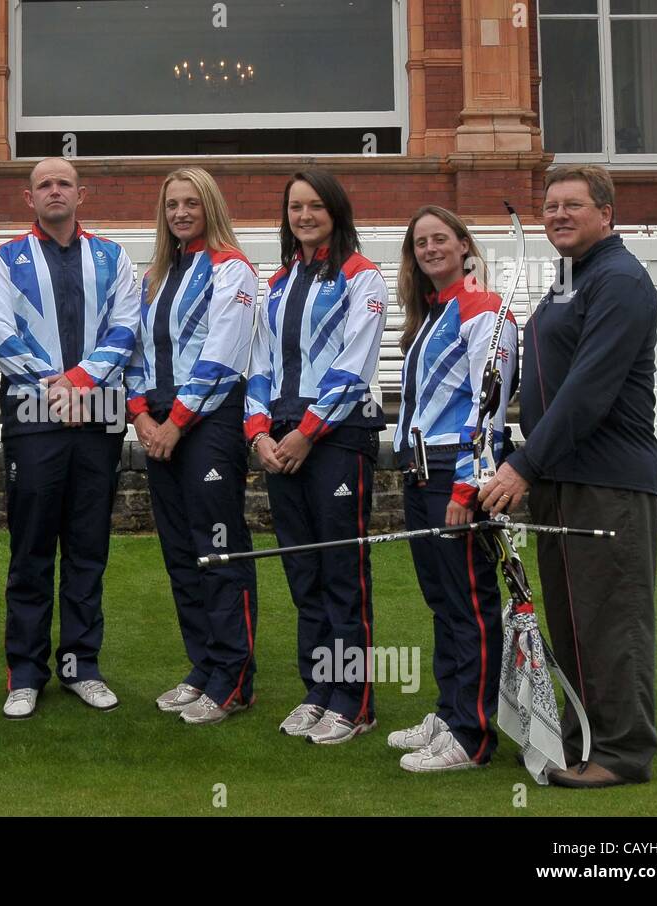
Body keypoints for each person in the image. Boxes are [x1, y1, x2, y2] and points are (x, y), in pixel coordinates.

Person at [480, 165, 657, 788]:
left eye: (573, 205)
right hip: (561, 473)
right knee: (572, 618)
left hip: (606, 480)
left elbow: (589, 391)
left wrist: (524, 465)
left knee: (610, 616)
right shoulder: (569, 277)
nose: (557, 214)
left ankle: (623, 752)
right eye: (550, 205)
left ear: (606, 213)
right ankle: (584, 736)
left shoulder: (620, 280)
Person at [0, 158, 140, 719]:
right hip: (34, 414)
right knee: (30, 548)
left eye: (64, 183)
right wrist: (56, 387)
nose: (54, 191)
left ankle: (81, 666)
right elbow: (0, 335)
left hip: (96, 415)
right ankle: (24, 673)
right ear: (29, 198)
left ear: (82, 194)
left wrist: (78, 382)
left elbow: (126, 328)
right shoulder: (4, 260)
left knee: (87, 547)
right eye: (44, 184)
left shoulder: (113, 257)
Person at [244, 169, 387, 744]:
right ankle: (318, 689)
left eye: (315, 207)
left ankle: (355, 701)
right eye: (295, 208)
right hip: (279, 440)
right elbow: (257, 365)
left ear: (336, 211)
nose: (303, 216)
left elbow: (355, 366)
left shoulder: (363, 277)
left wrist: (306, 432)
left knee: (342, 574)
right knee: (304, 573)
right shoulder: (277, 283)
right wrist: (258, 434)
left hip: (337, 438)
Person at [125, 167, 258, 726]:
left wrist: (176, 423)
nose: (180, 213)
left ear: (210, 207)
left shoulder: (233, 270)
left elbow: (222, 356)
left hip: (207, 425)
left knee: (217, 548)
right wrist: (139, 416)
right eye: (172, 204)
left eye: (191, 203)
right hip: (160, 427)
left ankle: (234, 678)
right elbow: (134, 352)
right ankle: (202, 666)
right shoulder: (157, 275)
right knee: (181, 552)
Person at [388, 205, 515, 771]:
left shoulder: (483, 309)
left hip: (453, 472)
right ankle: (450, 709)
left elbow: (487, 407)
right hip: (420, 470)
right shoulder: (433, 314)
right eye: (420, 243)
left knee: (469, 602)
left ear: (465, 246)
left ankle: (474, 734)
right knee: (443, 602)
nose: (430, 249)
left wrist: (466, 488)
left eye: (441, 239)